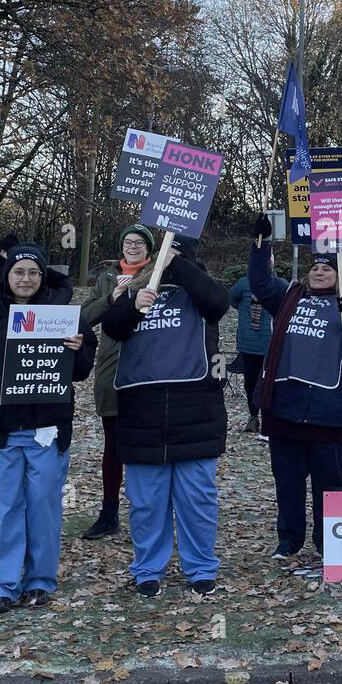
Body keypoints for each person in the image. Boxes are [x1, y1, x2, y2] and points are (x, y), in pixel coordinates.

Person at [0, 244, 96, 614]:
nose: (26, 279)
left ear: (43, 277)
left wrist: (79, 349)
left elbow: (81, 369)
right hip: (2, 428)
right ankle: (5, 583)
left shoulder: (61, 314)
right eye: (19, 272)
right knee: (7, 507)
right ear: (7, 276)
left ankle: (40, 580)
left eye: (33, 273)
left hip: (48, 428)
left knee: (43, 507)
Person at [101, 236, 229, 597]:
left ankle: (201, 566)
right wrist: (132, 305)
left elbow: (218, 303)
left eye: (173, 256)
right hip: (142, 413)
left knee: (196, 499)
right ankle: (147, 568)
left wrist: (179, 264)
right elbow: (112, 328)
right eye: (163, 255)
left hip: (196, 412)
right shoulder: (135, 291)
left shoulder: (201, 293)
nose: (166, 261)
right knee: (147, 501)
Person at [248, 214, 342, 569]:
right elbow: (260, 281)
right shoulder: (289, 296)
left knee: (328, 487)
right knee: (288, 482)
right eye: (315, 267)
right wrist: (260, 245)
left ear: (339, 274)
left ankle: (327, 541)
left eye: (327, 268)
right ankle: (289, 540)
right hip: (285, 409)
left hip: (329, 415)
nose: (318, 272)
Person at [78, 223, 156, 539]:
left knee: (146, 446)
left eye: (139, 242)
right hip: (112, 367)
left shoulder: (159, 275)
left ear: (149, 249)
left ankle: (148, 514)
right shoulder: (107, 278)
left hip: (150, 369)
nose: (133, 246)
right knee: (113, 446)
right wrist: (112, 297)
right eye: (128, 241)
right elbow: (84, 318)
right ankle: (109, 513)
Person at [229, 255, 274, 435]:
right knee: (250, 382)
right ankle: (253, 417)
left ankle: (267, 419)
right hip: (249, 343)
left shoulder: (278, 284)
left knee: (267, 383)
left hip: (270, 345)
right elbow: (231, 299)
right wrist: (244, 313)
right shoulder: (243, 283)